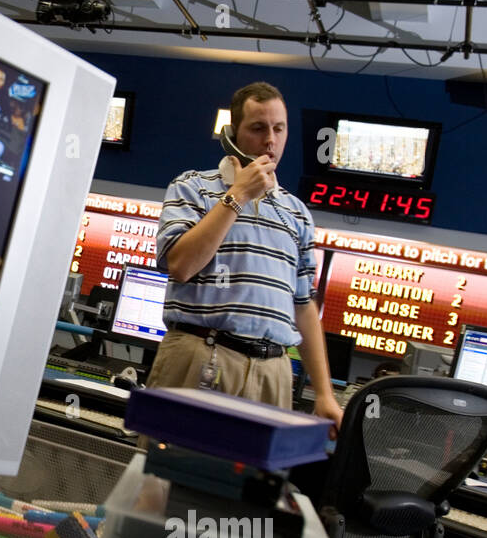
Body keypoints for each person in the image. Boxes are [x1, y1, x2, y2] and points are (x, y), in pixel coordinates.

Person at [146, 82, 344, 436]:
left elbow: (303, 307)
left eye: (279, 129)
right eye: (258, 128)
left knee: (251, 490)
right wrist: (236, 196)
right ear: (232, 134)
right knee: (164, 483)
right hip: (202, 354)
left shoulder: (297, 214)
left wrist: (325, 394)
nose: (270, 140)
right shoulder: (192, 187)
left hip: (274, 372)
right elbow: (181, 265)